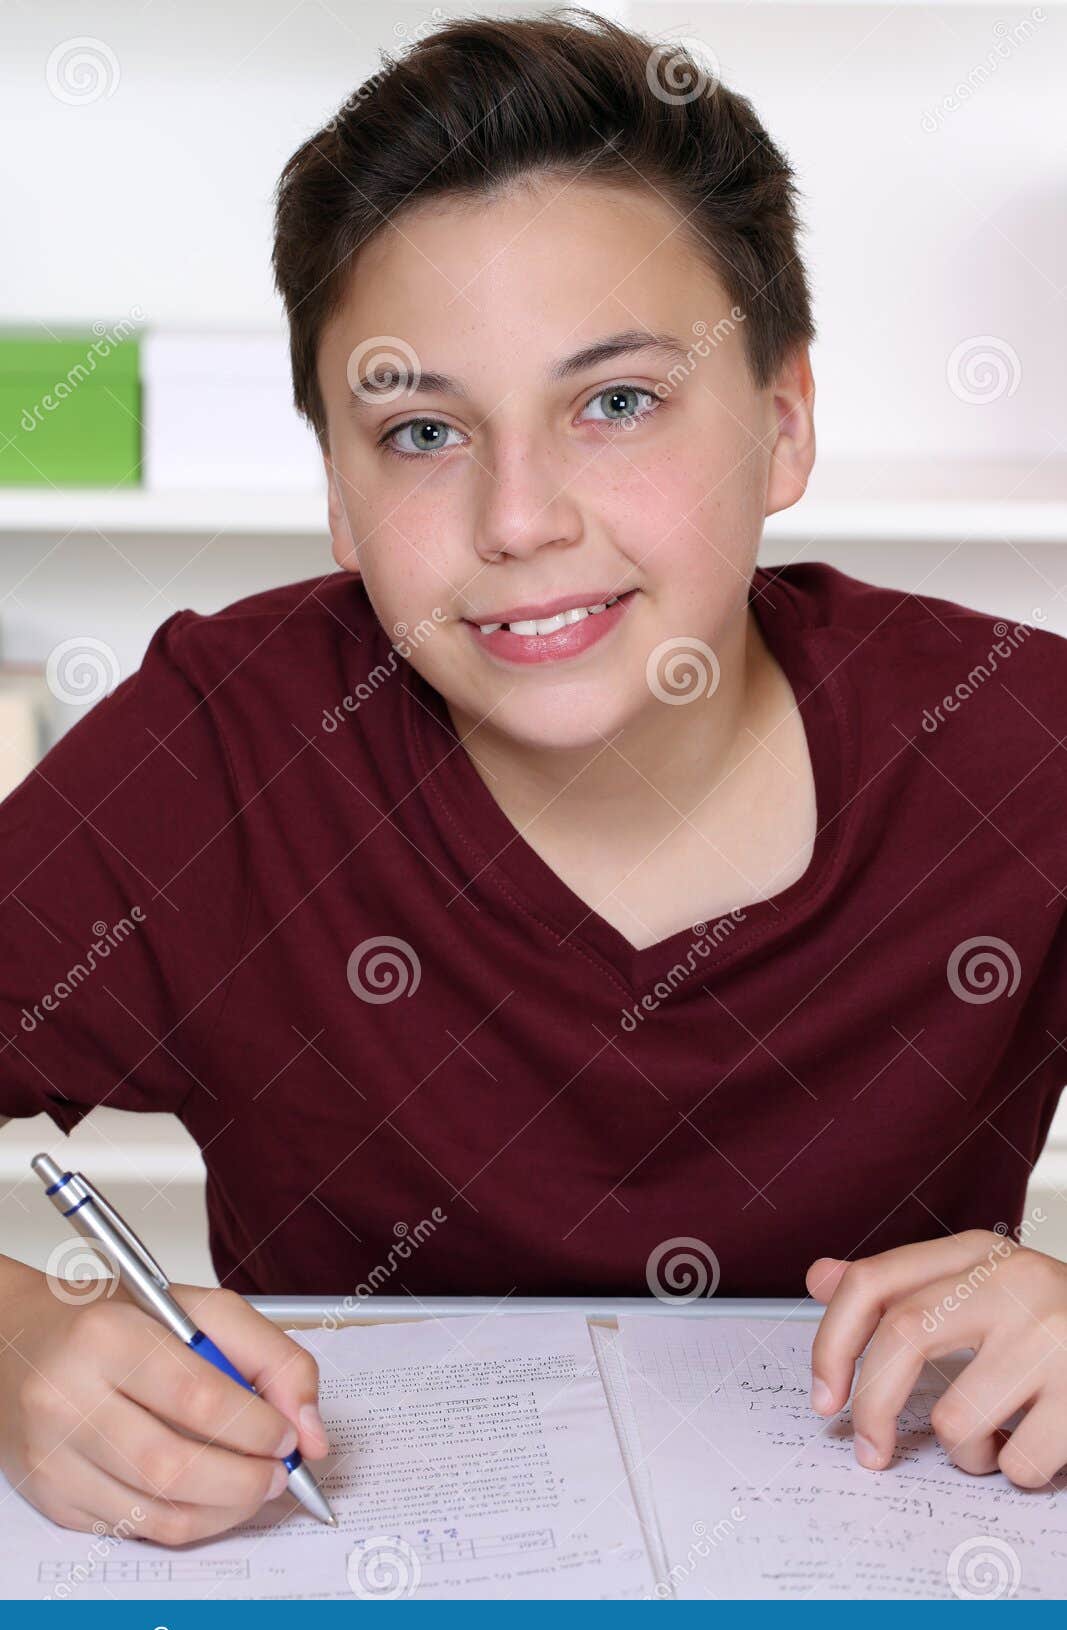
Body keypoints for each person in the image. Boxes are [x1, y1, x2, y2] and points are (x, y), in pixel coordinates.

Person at [2, 6, 1066, 1547]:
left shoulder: (1013, 741)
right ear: (342, 504)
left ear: (781, 425)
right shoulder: (223, 745)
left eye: (616, 403)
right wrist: (17, 1334)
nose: (518, 518)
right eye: (423, 429)